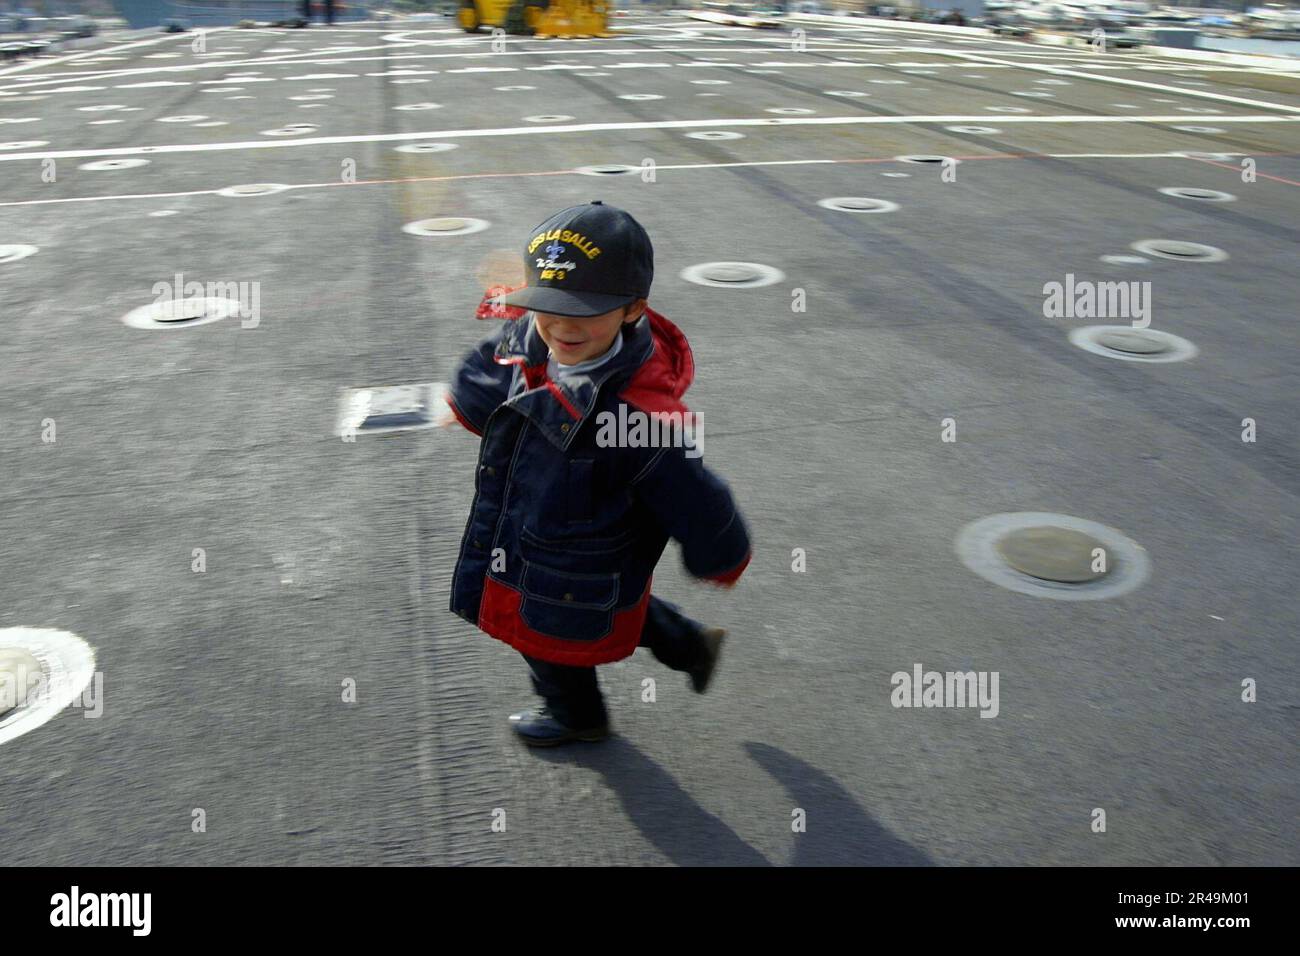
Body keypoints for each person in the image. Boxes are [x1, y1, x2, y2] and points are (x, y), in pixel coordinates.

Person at [441, 201, 752, 747]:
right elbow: (498, 363)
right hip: (546, 533)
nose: (561, 325)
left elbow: (695, 495)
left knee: (544, 637)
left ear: (633, 309)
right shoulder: (531, 338)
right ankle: (691, 646)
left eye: (583, 310)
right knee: (615, 602)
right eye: (547, 305)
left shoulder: (638, 417)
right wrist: (463, 400)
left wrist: (720, 553)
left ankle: (576, 717)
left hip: (569, 552)